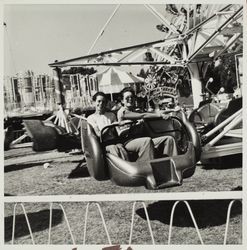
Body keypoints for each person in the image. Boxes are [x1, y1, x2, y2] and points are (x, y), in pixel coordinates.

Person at [117, 87, 178, 158]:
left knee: (169, 139)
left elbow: (152, 112)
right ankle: (148, 167)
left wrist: (171, 111)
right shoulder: (122, 111)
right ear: (122, 101)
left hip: (141, 139)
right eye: (127, 98)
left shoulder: (137, 110)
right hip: (129, 141)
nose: (130, 99)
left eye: (132, 97)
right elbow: (143, 115)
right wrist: (160, 115)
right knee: (147, 141)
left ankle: (172, 164)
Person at [87, 92, 129, 160]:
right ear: (94, 102)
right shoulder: (91, 118)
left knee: (122, 149)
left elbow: (118, 131)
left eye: (103, 102)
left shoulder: (111, 115)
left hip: (114, 141)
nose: (101, 104)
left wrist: (125, 127)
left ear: (106, 103)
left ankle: (127, 167)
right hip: (103, 144)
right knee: (114, 149)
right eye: (99, 101)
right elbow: (99, 134)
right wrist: (110, 126)